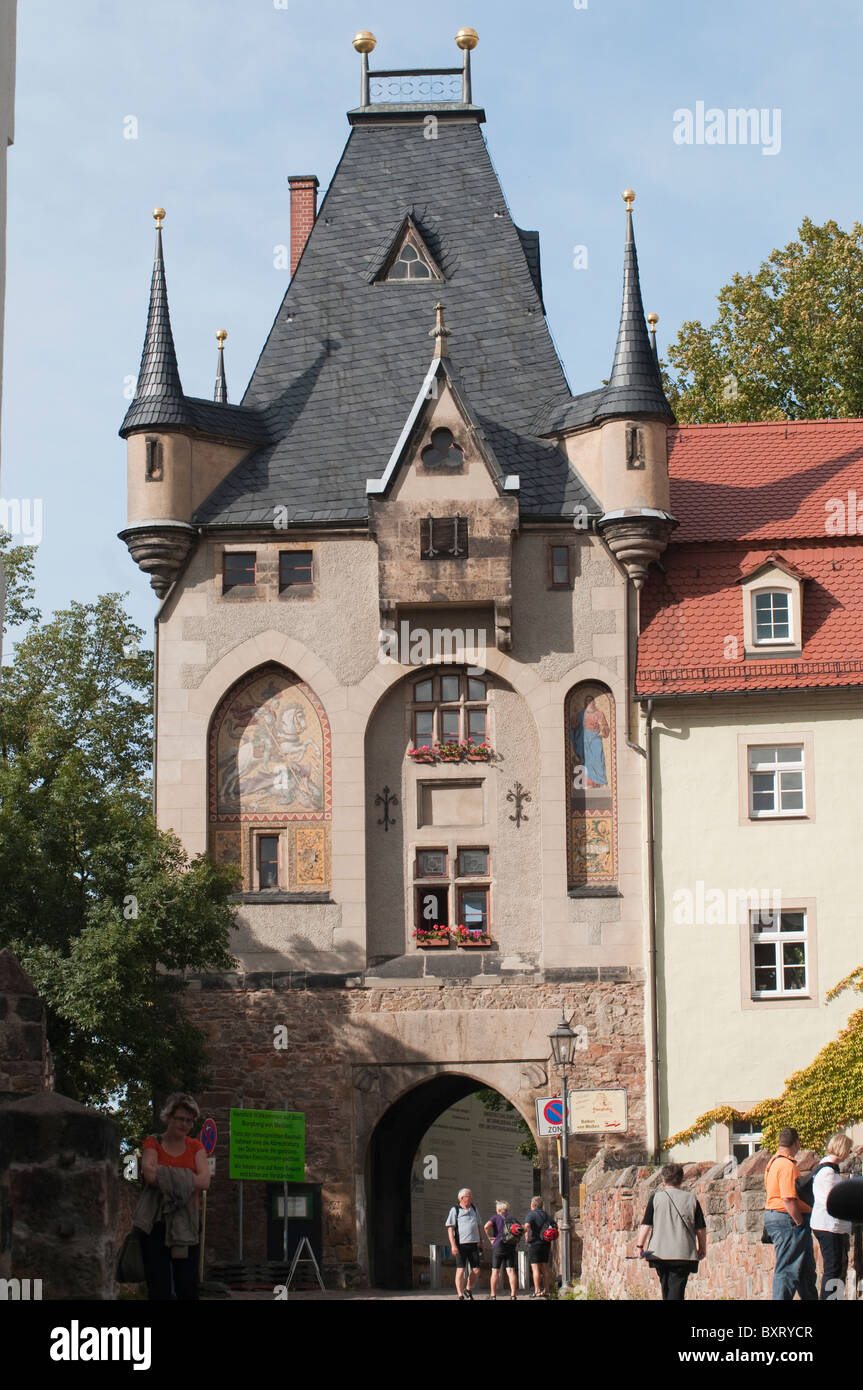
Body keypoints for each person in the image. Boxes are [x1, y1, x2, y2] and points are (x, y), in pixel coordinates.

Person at [135, 1092, 210, 1301]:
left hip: (187, 1222)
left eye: (189, 1120)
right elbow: (149, 1175)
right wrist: (187, 1179)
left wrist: (165, 1174)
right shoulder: (153, 1142)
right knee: (158, 1287)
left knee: (187, 1285)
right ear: (169, 1117)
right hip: (156, 1222)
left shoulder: (196, 1147)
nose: (184, 1124)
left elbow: (205, 1181)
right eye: (180, 1118)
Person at [635, 1163, 707, 1301]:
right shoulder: (691, 1199)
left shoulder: (655, 1199)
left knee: (666, 1287)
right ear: (681, 1179)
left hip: (659, 1253)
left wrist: (640, 1246)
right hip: (683, 1253)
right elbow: (700, 1228)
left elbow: (646, 1225)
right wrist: (702, 1248)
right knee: (676, 1290)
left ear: (663, 1180)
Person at [763, 1126, 817, 1301]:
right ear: (796, 1143)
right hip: (788, 1219)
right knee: (788, 1268)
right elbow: (788, 1198)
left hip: (776, 1216)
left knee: (804, 1269)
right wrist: (799, 1221)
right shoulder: (786, 1166)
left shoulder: (772, 1163)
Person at [810, 1133, 853, 1299]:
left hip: (830, 1225)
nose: (849, 1154)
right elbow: (831, 1199)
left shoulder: (828, 1168)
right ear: (842, 1150)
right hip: (828, 1226)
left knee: (838, 1267)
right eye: (848, 1151)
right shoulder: (827, 1171)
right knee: (832, 1268)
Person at [446, 1188, 486, 1300]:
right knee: (461, 1269)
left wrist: (481, 1241)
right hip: (460, 1245)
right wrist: (453, 1245)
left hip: (473, 1244)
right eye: (469, 1196)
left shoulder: (474, 1208)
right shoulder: (455, 1210)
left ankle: (468, 1289)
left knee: (476, 1269)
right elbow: (450, 1229)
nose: (471, 1198)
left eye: (471, 1196)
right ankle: (460, 1294)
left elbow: (479, 1226)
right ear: (462, 1198)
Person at [484, 1200, 520, 1300]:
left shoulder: (495, 1217)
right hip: (510, 1246)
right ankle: (513, 1295)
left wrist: (490, 1237)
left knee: (495, 1271)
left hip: (498, 1246)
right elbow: (521, 1229)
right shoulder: (513, 1218)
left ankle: (493, 1295)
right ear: (507, 1209)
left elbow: (486, 1226)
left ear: (498, 1209)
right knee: (511, 1270)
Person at [523, 1195, 554, 1298]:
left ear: (533, 1205)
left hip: (535, 1243)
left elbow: (527, 1226)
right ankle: (547, 1290)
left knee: (535, 1268)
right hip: (546, 1243)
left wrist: (527, 1237)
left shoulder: (531, 1215)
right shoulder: (547, 1215)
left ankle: (537, 1291)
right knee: (545, 1267)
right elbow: (554, 1226)